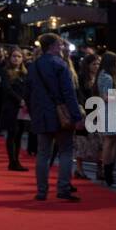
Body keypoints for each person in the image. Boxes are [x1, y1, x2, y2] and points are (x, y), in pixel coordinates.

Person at [28, 32, 83, 202]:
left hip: (41, 114)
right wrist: (76, 116)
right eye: (59, 44)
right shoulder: (60, 65)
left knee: (43, 154)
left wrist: (33, 112)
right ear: (52, 46)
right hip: (61, 115)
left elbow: (28, 93)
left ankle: (41, 191)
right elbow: (69, 94)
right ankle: (63, 188)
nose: (61, 47)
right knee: (66, 151)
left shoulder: (34, 66)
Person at [0, 47, 29, 172]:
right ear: (9, 58)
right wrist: (19, 100)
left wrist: (27, 100)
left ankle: (16, 161)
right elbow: (6, 89)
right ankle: (12, 162)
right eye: (14, 56)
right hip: (11, 107)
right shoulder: (5, 71)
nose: (16, 58)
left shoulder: (25, 73)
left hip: (23, 108)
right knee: (12, 134)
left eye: (19, 56)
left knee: (19, 134)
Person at [96, 52, 116, 186]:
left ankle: (108, 170)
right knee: (110, 141)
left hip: (108, 110)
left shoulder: (103, 75)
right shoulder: (107, 77)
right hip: (109, 110)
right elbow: (106, 97)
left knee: (113, 141)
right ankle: (108, 172)